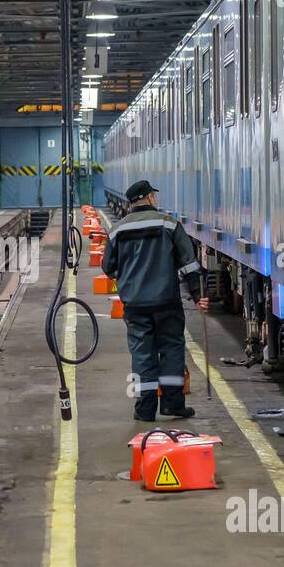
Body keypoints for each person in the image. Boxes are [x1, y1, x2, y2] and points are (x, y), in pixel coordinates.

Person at [100, 180, 202, 421]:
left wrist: (127, 277)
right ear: (149, 198)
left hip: (135, 304)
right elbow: (189, 262)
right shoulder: (168, 224)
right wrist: (198, 295)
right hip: (167, 301)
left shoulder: (118, 230)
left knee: (142, 354)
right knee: (171, 349)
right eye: (154, 195)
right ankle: (172, 404)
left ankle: (145, 410)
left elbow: (108, 267)